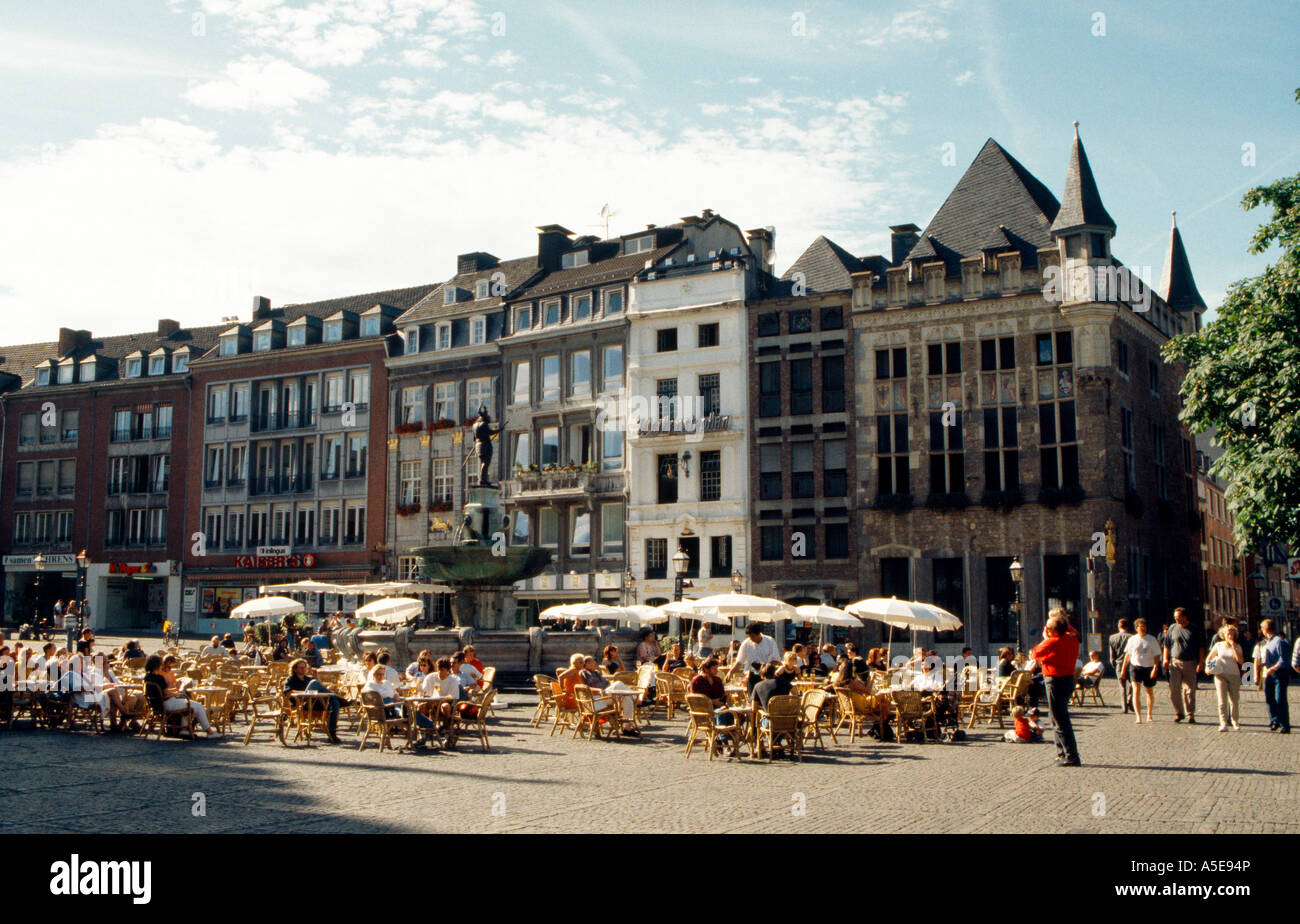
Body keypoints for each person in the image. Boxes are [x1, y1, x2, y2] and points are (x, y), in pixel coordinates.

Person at [1031, 609, 1081, 767]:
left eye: (1048, 627)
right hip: (1067, 678)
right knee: (1057, 718)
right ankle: (1062, 753)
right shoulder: (1071, 638)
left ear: (1053, 631)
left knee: (1060, 719)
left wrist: (1046, 640)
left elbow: (1036, 652)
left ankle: (1071, 755)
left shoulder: (1053, 641)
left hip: (1054, 679)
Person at [144, 654, 218, 736]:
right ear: (157, 665)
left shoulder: (147, 677)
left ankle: (184, 729)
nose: (162, 665)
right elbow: (166, 693)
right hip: (166, 704)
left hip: (156, 704)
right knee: (197, 706)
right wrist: (176, 693)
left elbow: (160, 691)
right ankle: (209, 731)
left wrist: (175, 693)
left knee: (188, 706)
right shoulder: (159, 678)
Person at [283, 658, 344, 743]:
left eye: (304, 667)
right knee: (314, 683)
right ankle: (340, 699)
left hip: (315, 702)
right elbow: (288, 692)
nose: (303, 669)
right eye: (301, 668)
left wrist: (317, 678)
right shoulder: (290, 679)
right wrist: (305, 692)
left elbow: (319, 690)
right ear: (295, 669)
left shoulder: (308, 679)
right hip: (302, 703)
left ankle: (332, 733)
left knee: (334, 703)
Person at [1162, 606, 1205, 723]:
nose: (1176, 619)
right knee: (1174, 689)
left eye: (1178, 617)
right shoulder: (1172, 628)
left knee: (1190, 690)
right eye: (1175, 617)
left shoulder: (1194, 629)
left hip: (1190, 663)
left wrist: (1201, 662)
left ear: (1185, 617)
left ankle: (1190, 714)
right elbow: (1167, 645)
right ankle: (1179, 712)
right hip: (1175, 662)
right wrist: (1165, 659)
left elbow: (1201, 646)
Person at [1121, 618, 1161, 723]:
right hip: (1135, 667)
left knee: (1149, 691)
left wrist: (1155, 668)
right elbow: (1127, 655)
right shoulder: (1132, 640)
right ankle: (1138, 716)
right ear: (1136, 628)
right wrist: (1123, 669)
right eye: (1140, 626)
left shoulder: (1152, 639)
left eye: (1144, 626)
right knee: (1136, 690)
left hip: (1148, 667)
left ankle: (1149, 714)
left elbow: (1157, 655)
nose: (1143, 628)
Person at [1206, 623, 1244, 731]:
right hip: (1220, 674)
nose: (1230, 636)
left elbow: (1240, 661)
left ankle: (1235, 721)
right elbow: (1209, 658)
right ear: (1224, 634)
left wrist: (1234, 647)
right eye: (1228, 634)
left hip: (1234, 675)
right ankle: (1223, 723)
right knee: (1222, 700)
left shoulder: (1238, 646)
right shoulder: (1218, 645)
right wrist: (1208, 668)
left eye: (1232, 634)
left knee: (1234, 700)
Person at [1256, 618, 1290, 733]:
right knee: (1269, 698)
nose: (1261, 630)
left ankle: (1284, 724)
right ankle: (1275, 720)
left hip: (1279, 674)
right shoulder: (1268, 642)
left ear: (1265, 629)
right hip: (1269, 674)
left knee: (1280, 698)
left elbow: (1283, 659)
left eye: (1262, 628)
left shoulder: (1279, 641)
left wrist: (1273, 668)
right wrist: (1263, 664)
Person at [725, 623, 781, 690]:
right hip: (751, 675)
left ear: (759, 634)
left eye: (753, 636)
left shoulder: (770, 641)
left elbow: (777, 660)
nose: (751, 639)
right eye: (749, 636)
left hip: (766, 675)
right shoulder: (746, 643)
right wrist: (730, 672)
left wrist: (766, 665)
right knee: (752, 698)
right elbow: (739, 661)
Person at [1108, 618, 1135, 713]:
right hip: (1130, 663)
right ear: (1127, 626)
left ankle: (1124, 707)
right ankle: (1129, 699)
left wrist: (1113, 663)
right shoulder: (1132, 637)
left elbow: (1112, 654)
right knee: (1132, 683)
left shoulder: (1112, 638)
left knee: (1122, 686)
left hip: (1119, 663)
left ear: (1118, 626)